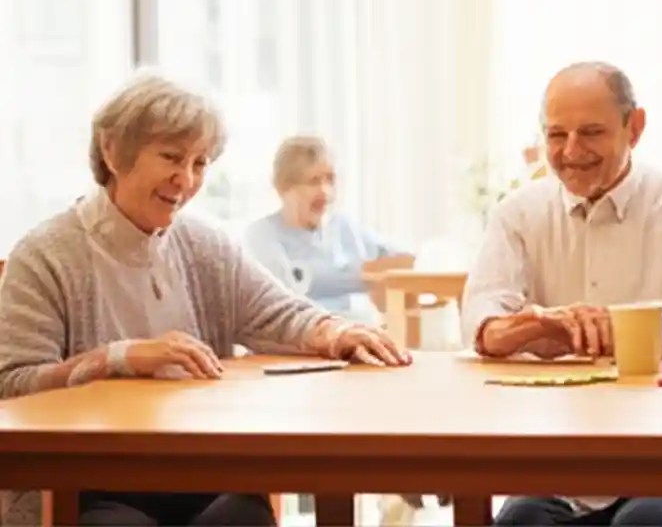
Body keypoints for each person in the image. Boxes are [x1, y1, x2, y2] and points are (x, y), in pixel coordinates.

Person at [0, 73, 410, 527]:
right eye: (172, 157)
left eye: (200, 162)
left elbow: (278, 312)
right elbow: (11, 384)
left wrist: (336, 332)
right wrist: (120, 358)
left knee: (243, 517)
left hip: (198, 469)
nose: (187, 179)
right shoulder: (45, 255)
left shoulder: (203, 245)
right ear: (113, 150)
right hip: (84, 483)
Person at [462, 62, 662, 526]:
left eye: (591, 132)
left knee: (646, 523)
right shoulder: (517, 214)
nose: (572, 151)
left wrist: (612, 325)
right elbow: (481, 320)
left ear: (636, 127)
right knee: (520, 522)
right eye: (556, 135)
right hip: (559, 464)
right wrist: (539, 324)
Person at [244, 136, 413, 325]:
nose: (325, 191)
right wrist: (363, 277)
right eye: (313, 181)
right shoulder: (262, 235)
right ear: (284, 188)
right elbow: (289, 292)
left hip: (356, 332)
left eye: (330, 179)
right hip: (301, 336)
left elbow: (405, 258)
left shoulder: (344, 227)